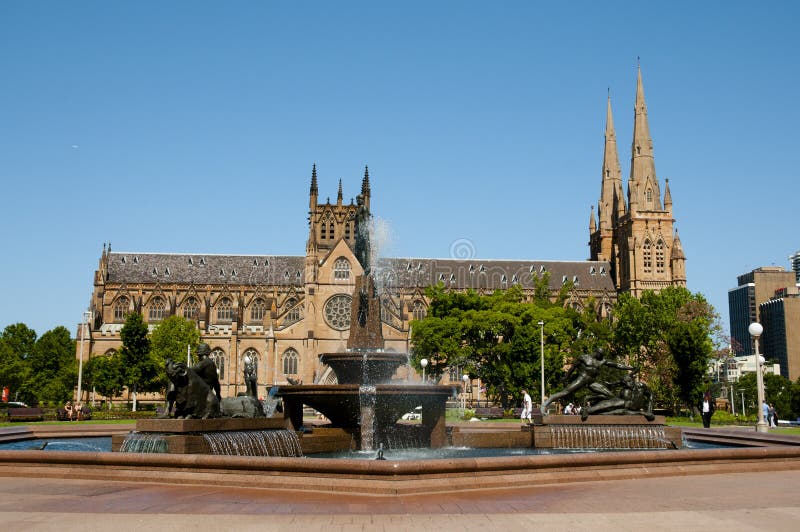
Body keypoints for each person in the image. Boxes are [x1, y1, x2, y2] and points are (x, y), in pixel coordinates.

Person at [542, 348, 633, 412]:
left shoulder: (601, 361)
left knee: (609, 395)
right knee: (565, 392)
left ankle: (592, 403)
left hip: (592, 382)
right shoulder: (584, 357)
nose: (601, 357)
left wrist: (630, 368)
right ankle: (546, 403)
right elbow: (573, 368)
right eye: (600, 354)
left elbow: (616, 365)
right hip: (582, 379)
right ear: (596, 352)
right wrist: (566, 377)